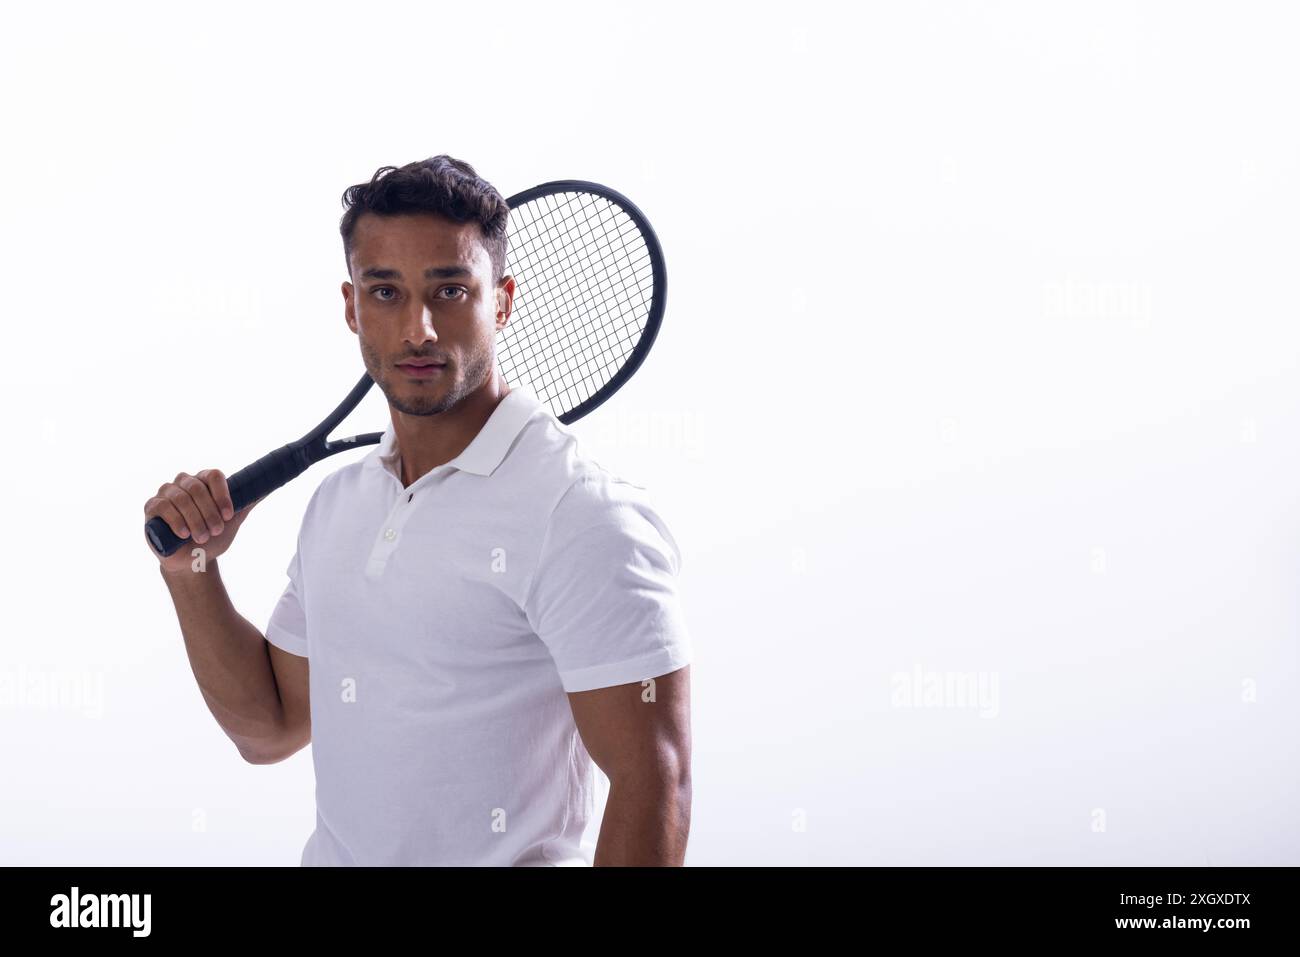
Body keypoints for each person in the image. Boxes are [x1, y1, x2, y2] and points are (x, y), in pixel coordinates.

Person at [145, 155, 693, 866]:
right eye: (386, 291)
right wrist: (192, 572)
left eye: (450, 290)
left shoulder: (580, 514)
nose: (418, 330)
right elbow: (271, 727)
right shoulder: (339, 505)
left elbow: (656, 782)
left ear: (500, 302)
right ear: (351, 306)